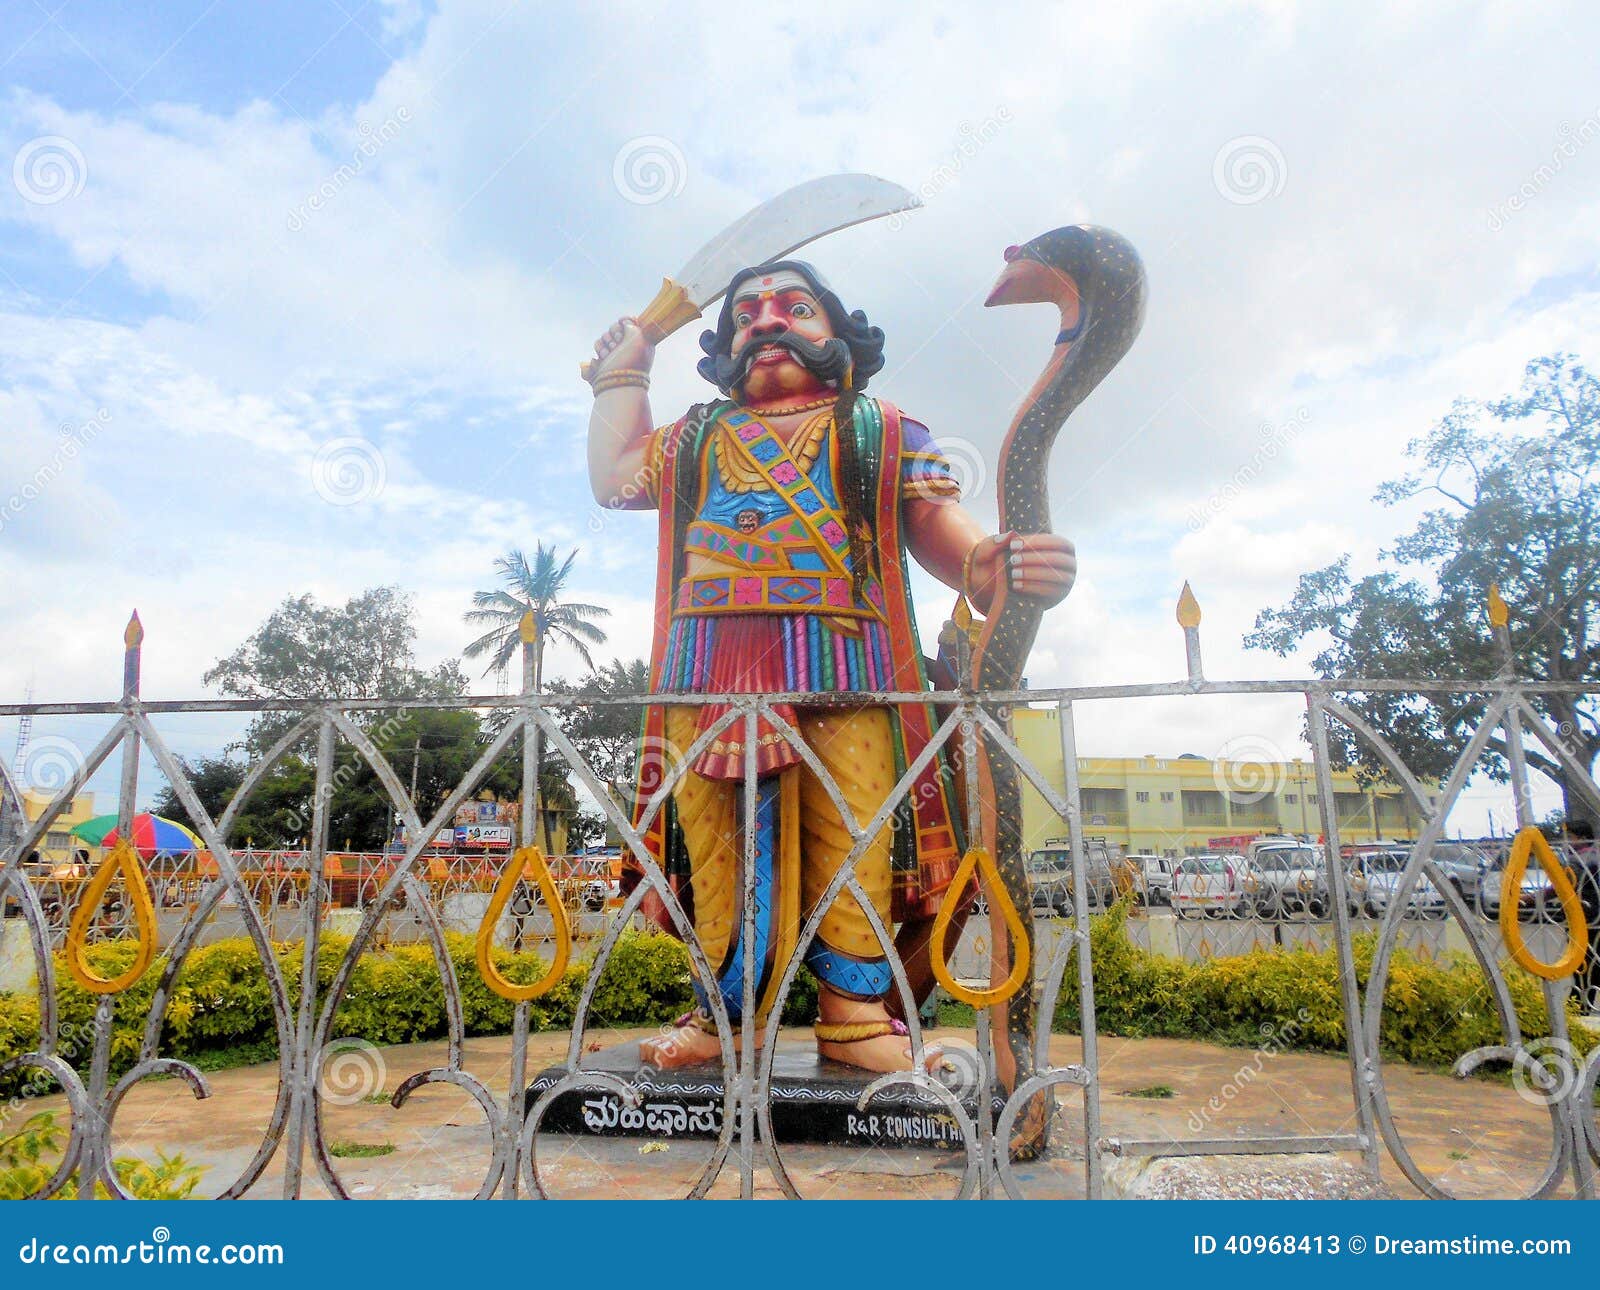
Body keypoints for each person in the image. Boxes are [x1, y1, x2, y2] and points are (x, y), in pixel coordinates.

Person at [586, 262, 1075, 1072]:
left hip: (844, 662)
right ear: (725, 347)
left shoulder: (880, 432)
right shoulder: (693, 438)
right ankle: (723, 1015)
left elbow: (945, 538)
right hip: (706, 666)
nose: (766, 321)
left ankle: (853, 1014)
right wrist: (623, 375)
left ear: (840, 337)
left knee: (855, 837)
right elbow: (614, 480)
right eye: (747, 314)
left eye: (794, 307)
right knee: (714, 846)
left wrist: (999, 568)